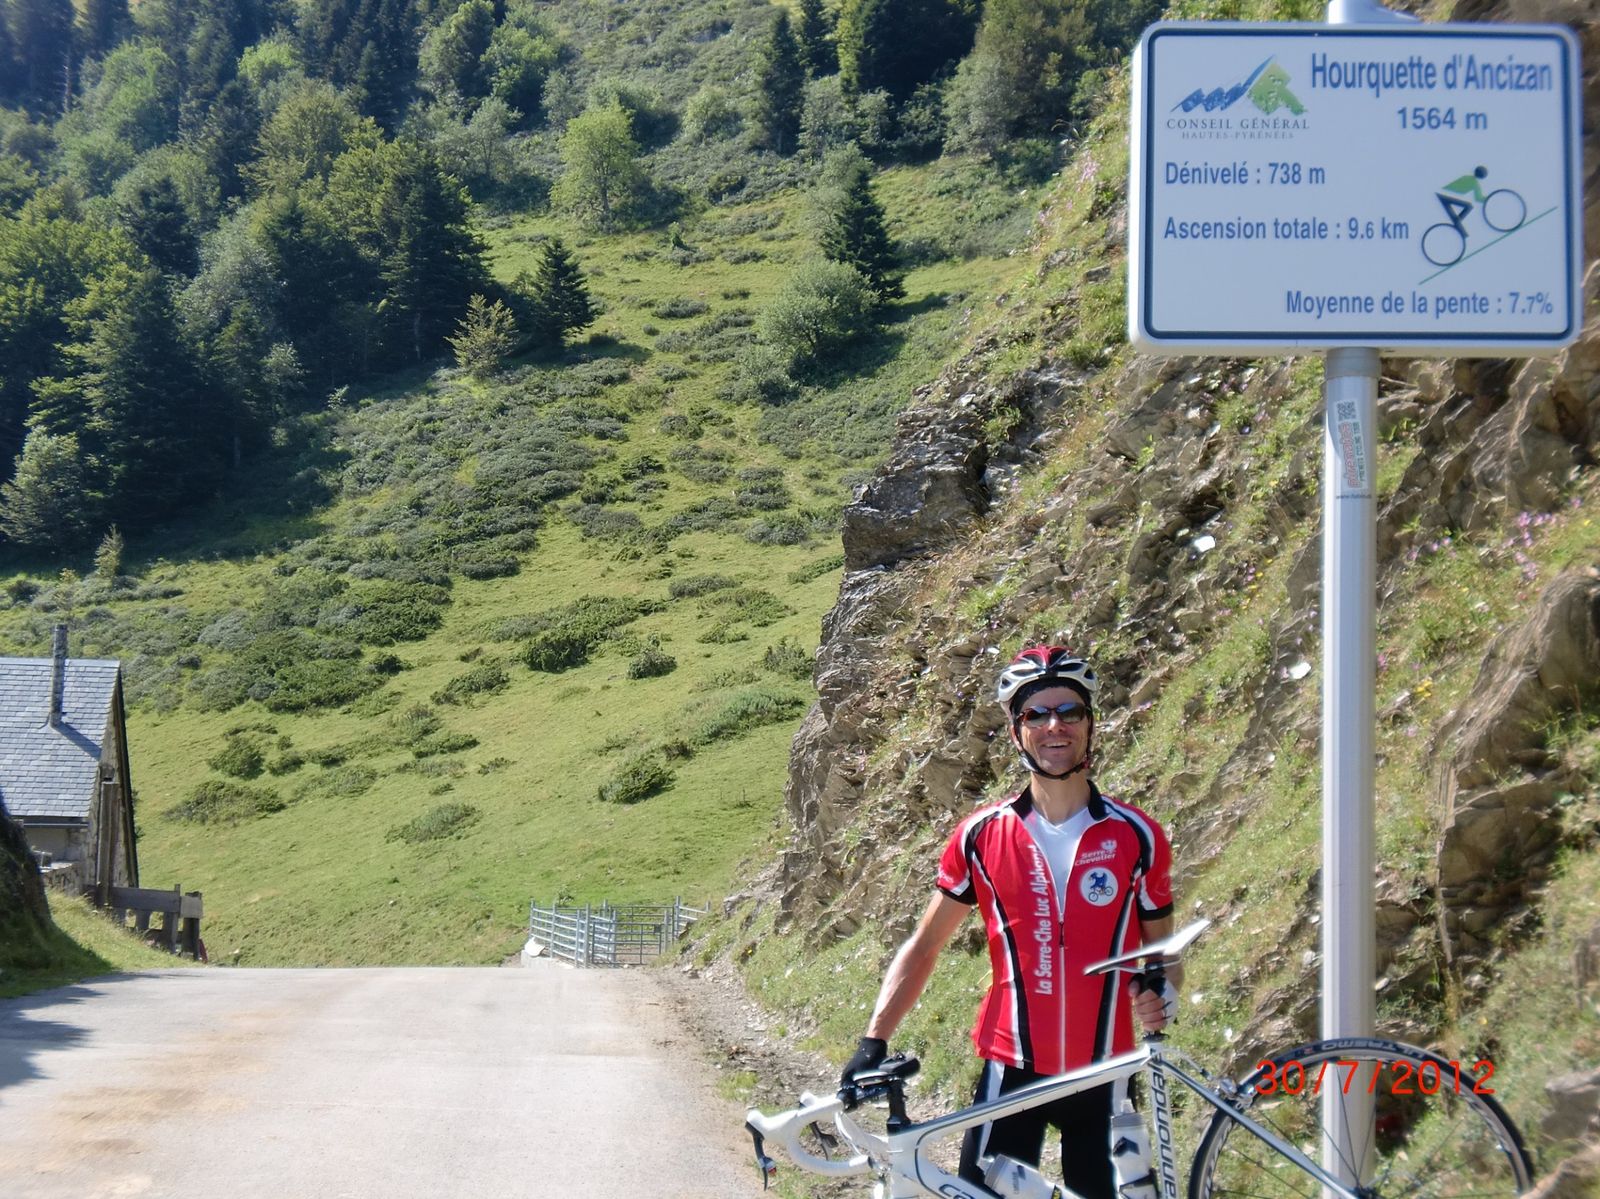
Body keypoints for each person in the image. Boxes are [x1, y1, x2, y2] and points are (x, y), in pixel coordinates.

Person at [840, 645, 1180, 1198]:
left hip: (1106, 1073)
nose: (1054, 726)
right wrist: (873, 1040)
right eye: (1036, 714)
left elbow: (1165, 957)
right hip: (1011, 1067)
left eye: (1070, 712)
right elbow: (925, 947)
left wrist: (1160, 990)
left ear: (1091, 724)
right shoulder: (981, 836)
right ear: (1016, 729)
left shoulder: (1136, 836)